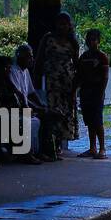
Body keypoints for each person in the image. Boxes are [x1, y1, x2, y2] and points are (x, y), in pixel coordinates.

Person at [33, 9, 79, 158]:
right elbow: (39, 59)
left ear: (69, 25)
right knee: (52, 110)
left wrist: (75, 86)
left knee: (65, 113)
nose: (62, 27)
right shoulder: (48, 38)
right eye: (60, 23)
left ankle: (58, 145)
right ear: (56, 24)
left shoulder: (72, 42)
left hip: (67, 82)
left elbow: (77, 64)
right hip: (51, 81)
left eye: (65, 24)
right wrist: (36, 79)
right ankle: (49, 146)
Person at [0, 56, 40, 164]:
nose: (9, 70)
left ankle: (32, 152)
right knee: (19, 120)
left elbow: (19, 94)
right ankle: (25, 154)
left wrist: (25, 106)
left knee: (31, 116)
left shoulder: (7, 81)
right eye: (7, 68)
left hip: (7, 111)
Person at [75, 28, 109, 159]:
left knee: (98, 121)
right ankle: (92, 147)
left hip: (96, 92)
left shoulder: (102, 57)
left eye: (94, 39)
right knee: (89, 121)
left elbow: (105, 77)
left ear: (98, 41)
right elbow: (80, 75)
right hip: (85, 92)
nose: (91, 42)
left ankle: (102, 148)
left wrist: (101, 92)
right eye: (89, 40)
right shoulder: (84, 57)